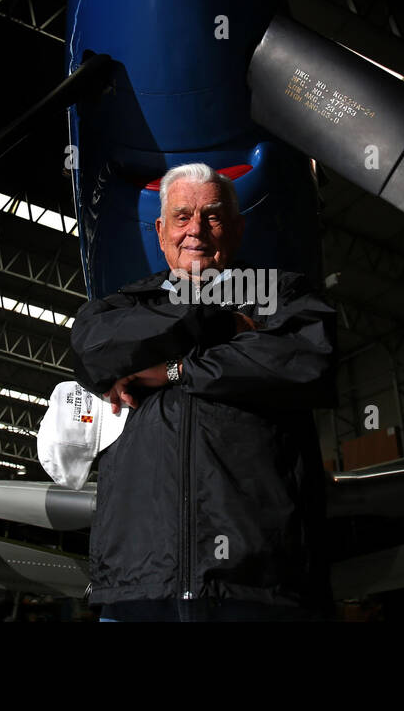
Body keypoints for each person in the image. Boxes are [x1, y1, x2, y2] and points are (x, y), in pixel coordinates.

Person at [70, 163, 337, 621]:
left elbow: (306, 363)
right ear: (160, 230)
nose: (196, 229)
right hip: (140, 578)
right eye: (181, 216)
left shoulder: (284, 295)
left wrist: (173, 369)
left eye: (212, 216)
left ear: (236, 227)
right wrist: (217, 320)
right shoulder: (121, 306)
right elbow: (92, 348)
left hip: (260, 580)